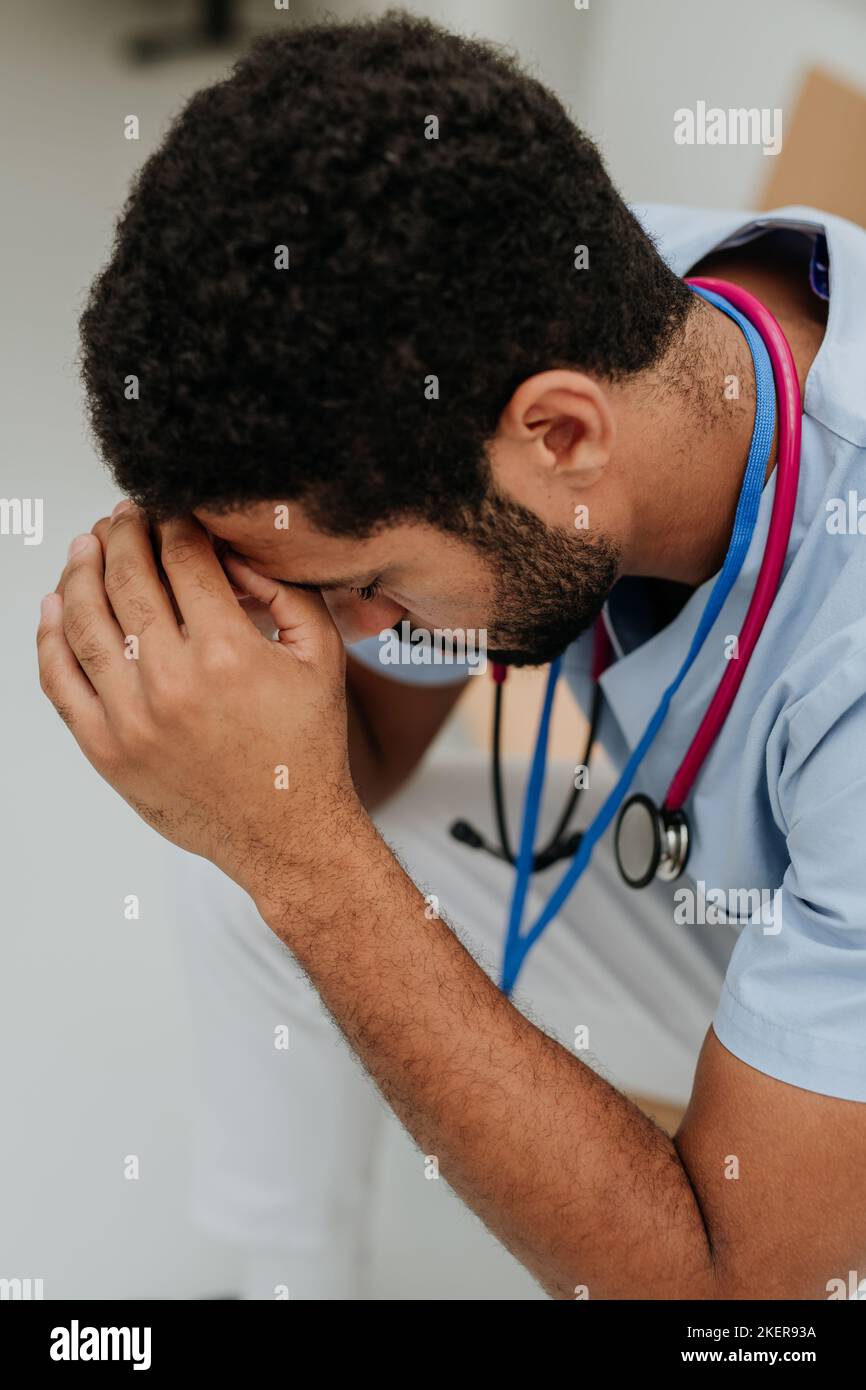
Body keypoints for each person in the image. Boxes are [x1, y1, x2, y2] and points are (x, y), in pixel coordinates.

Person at [38, 12, 866, 1299]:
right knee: (244, 825)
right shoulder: (585, 310)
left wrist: (306, 858)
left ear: (562, 438)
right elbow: (358, 748)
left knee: (292, 849)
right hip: (760, 893)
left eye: (367, 586)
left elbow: (738, 1301)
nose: (357, 633)